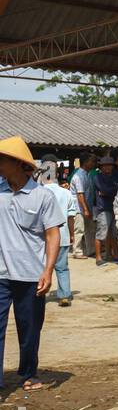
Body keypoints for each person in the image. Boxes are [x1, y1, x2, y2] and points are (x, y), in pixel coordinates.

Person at [0, 136, 61, 390]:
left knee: (30, 330)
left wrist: (48, 270)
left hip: (31, 276)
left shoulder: (43, 196)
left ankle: (28, 374)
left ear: (16, 163)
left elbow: (52, 234)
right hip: (1, 275)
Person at [40, 161, 77, 307]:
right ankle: (65, 295)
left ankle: (39, 292)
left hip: (43, 238)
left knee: (41, 267)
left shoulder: (38, 191)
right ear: (56, 175)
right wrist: (72, 233)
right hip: (62, 236)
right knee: (62, 267)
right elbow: (71, 216)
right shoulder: (66, 193)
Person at [92, 153, 118, 264]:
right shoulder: (97, 177)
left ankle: (115, 255)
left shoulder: (116, 176)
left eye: (109, 165)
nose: (107, 167)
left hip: (115, 207)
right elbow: (106, 189)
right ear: (101, 167)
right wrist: (111, 191)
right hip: (103, 209)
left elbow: (115, 190)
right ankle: (98, 257)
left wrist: (107, 192)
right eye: (105, 165)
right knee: (101, 233)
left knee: (114, 233)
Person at [69, 154, 93, 259]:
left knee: (88, 229)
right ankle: (77, 251)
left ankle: (90, 249)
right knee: (79, 229)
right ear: (86, 162)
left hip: (85, 207)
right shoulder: (79, 176)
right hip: (79, 208)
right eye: (92, 161)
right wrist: (86, 209)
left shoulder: (86, 174)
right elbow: (80, 194)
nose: (94, 164)